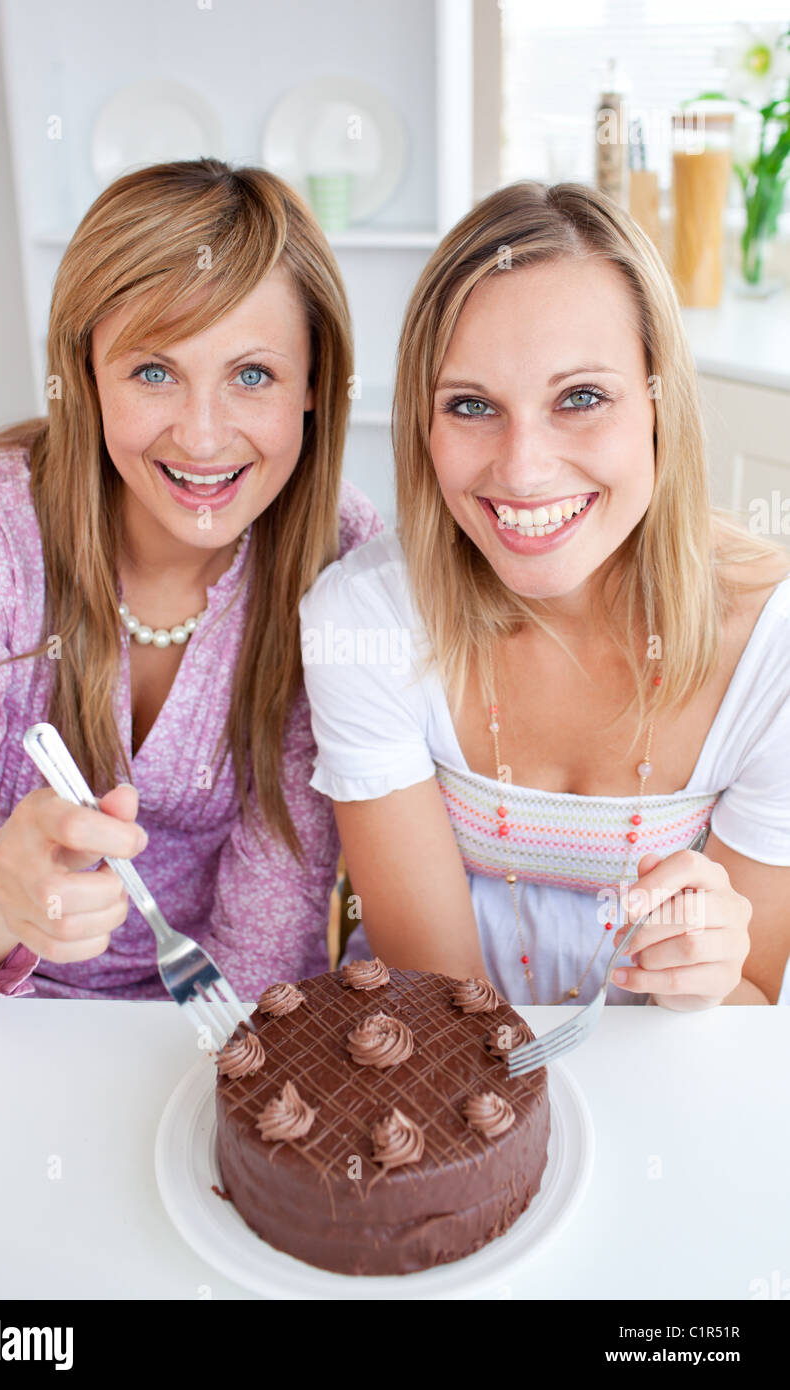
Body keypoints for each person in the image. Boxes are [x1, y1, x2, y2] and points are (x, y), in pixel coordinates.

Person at [299, 179, 790, 1010]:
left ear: (661, 405)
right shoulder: (366, 620)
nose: (523, 468)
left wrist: (709, 973)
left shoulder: (773, 650)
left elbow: (751, 998)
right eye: (471, 405)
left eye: (582, 398)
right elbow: (440, 1008)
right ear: (425, 426)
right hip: (452, 1066)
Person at [0, 157, 382, 1006]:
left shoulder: (343, 560)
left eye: (253, 375)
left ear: (315, 381)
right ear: (86, 376)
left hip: (205, 1023)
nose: (203, 438)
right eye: (153, 372)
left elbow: (269, 938)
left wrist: (221, 1087)